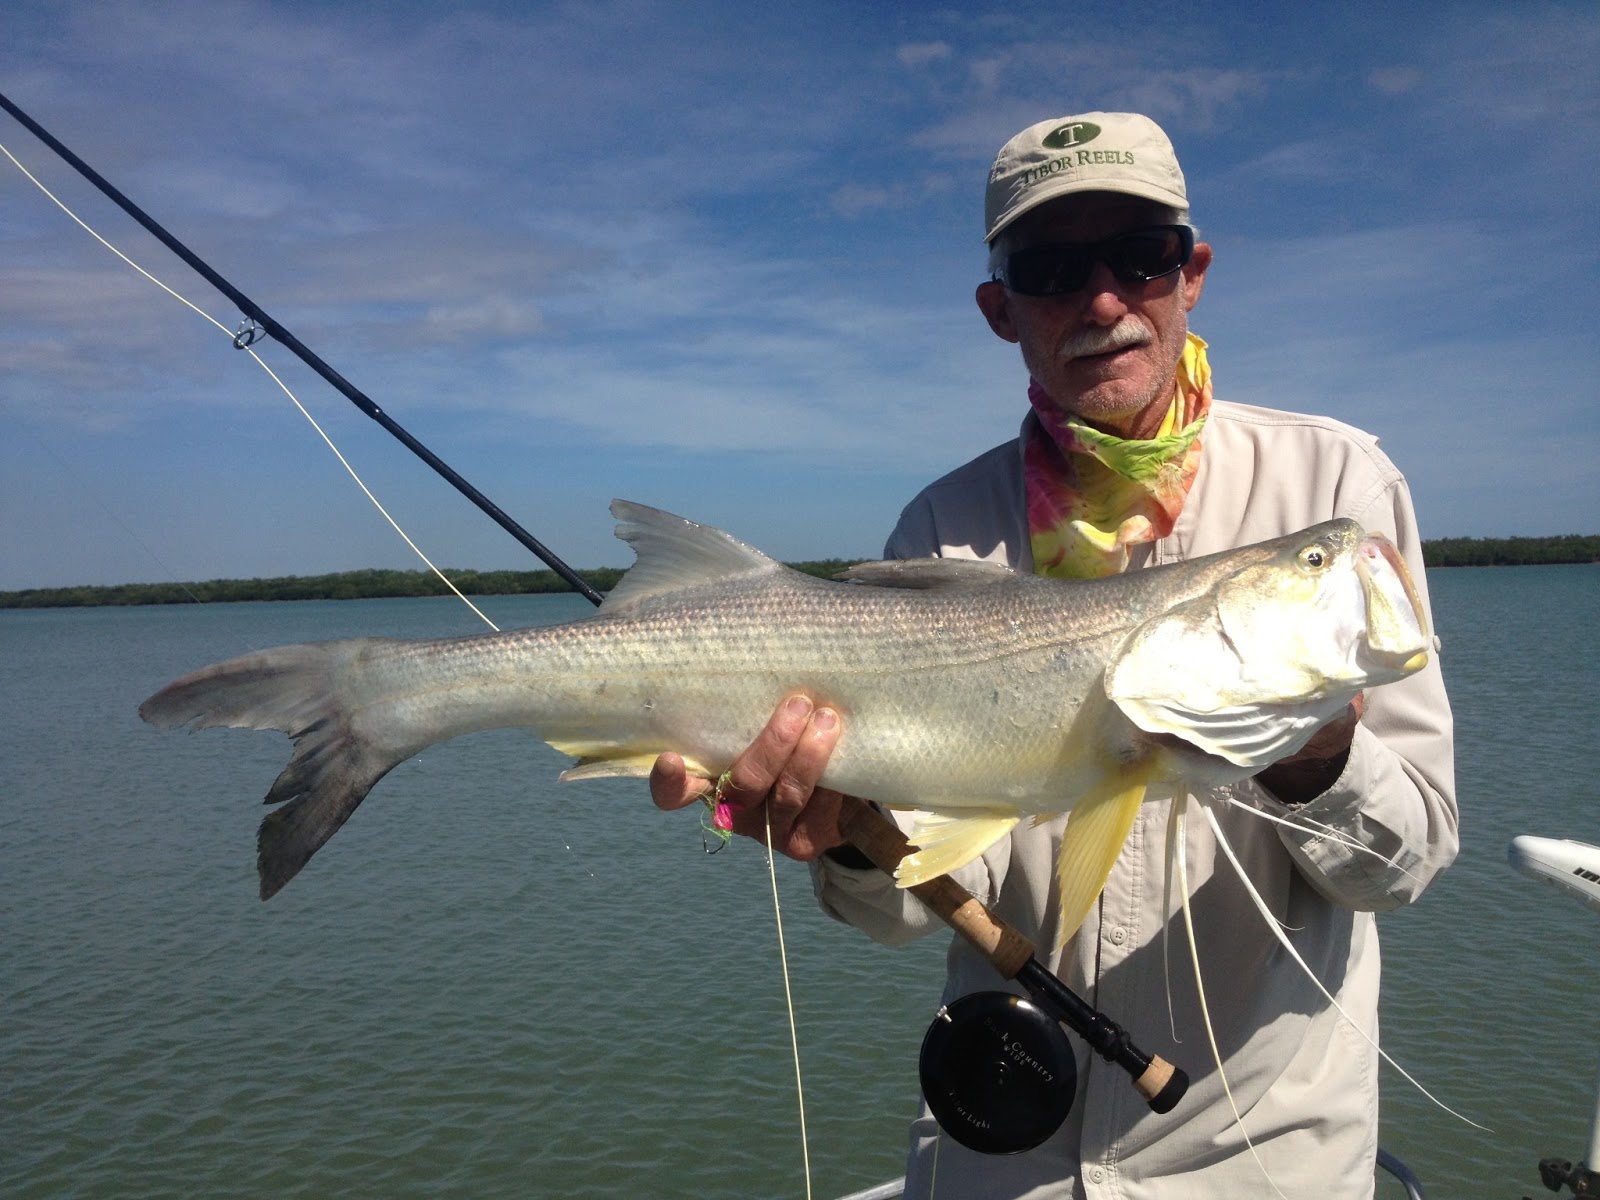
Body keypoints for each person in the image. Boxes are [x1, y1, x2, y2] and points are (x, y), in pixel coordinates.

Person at [652, 112, 1458, 1198]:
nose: (1105, 300)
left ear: (1194, 272)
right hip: (998, 1159)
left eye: (1141, 256)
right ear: (999, 309)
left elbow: (1402, 868)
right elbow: (917, 894)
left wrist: (1314, 757)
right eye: (1049, 268)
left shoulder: (1336, 491)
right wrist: (848, 839)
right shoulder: (941, 526)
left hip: (1263, 1167)